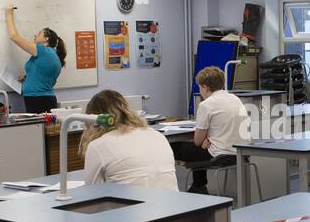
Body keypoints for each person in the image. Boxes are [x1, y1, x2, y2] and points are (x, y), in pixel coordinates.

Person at [169, 66, 251, 194]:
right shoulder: (235, 99)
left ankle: (185, 188)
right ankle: (199, 186)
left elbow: (197, 141)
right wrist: (206, 139)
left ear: (205, 87)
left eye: (200, 87)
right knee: (199, 149)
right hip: (241, 152)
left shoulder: (206, 105)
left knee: (172, 147)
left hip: (220, 154)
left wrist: (204, 140)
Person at [80, 90, 179, 191]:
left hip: (134, 201)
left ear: (94, 121)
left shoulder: (98, 146)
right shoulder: (157, 135)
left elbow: (92, 191)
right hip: (172, 200)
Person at [6, 4, 65, 113]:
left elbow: (14, 36)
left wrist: (9, 13)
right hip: (38, 99)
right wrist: (27, 77)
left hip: (39, 100)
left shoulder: (43, 51)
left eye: (39, 34)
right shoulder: (49, 54)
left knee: (39, 125)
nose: (35, 35)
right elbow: (43, 75)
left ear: (46, 39)